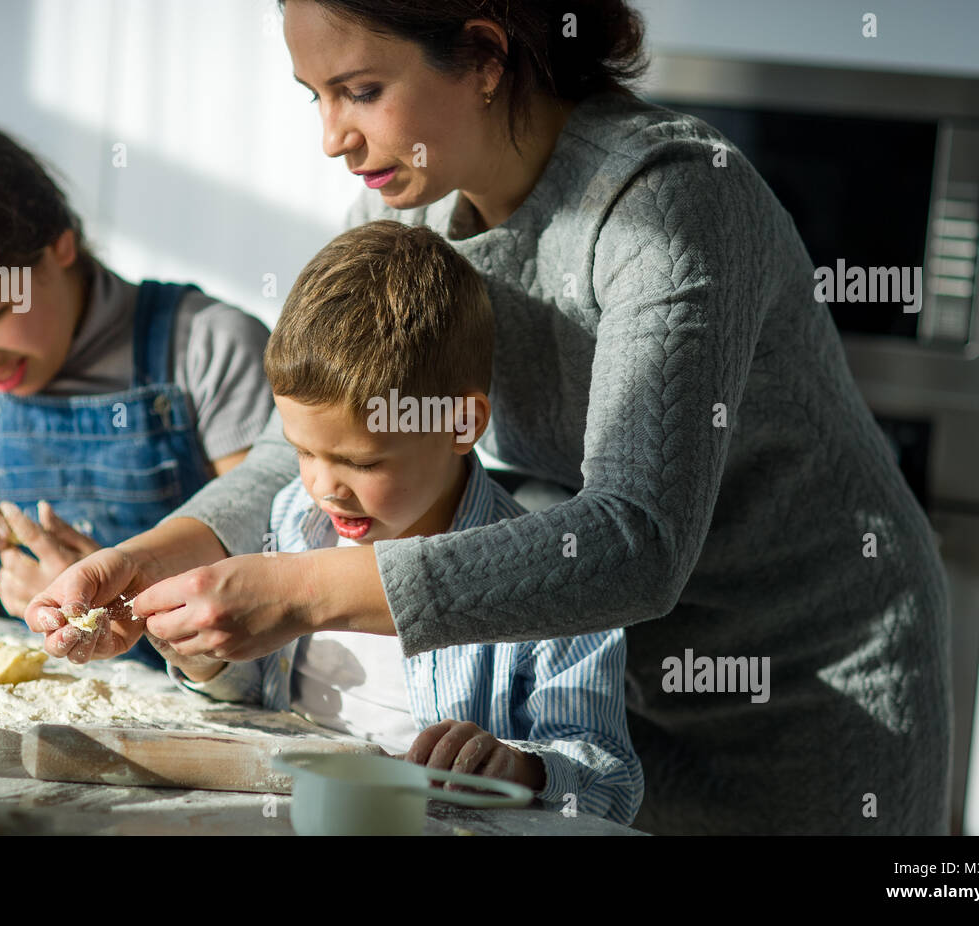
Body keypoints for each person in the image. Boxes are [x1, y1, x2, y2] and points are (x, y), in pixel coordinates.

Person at [28, 0, 951, 834]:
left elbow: (638, 539)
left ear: (482, 56)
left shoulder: (669, 203)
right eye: (315, 96)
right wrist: (151, 557)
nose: (332, 139)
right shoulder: (410, 211)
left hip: (806, 687)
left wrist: (304, 590)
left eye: (359, 90)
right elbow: (292, 453)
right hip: (588, 692)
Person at [147, 220, 640, 824]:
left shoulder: (550, 583)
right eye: (302, 451)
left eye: (361, 461)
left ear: (462, 422)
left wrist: (519, 767)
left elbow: (611, 783)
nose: (323, 487)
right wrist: (208, 664)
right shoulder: (296, 523)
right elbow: (256, 700)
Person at [0, 121, 273, 664]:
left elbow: (269, 570)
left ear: (61, 245)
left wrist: (120, 599)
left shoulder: (206, 347)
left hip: (199, 694)